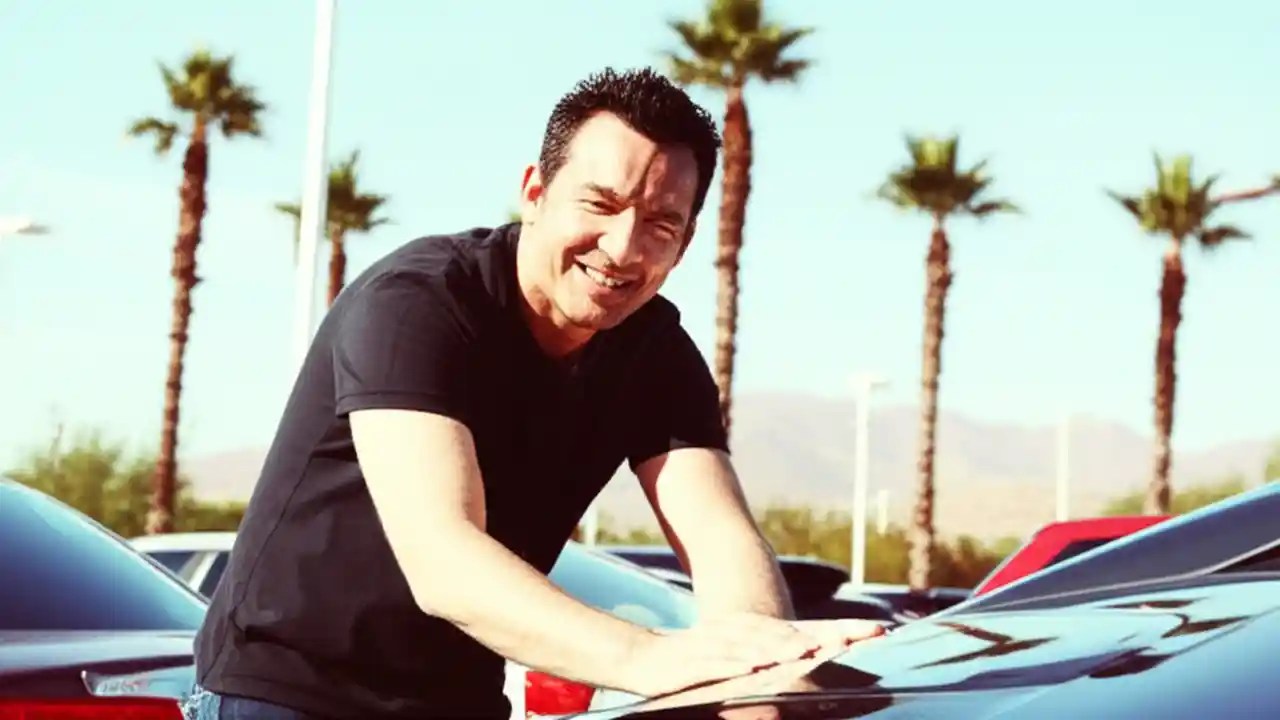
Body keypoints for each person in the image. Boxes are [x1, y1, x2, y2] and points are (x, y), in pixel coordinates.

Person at [183, 67, 883, 720]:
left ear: (688, 239)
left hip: (457, 701)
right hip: (285, 694)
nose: (622, 247)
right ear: (535, 191)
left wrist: (762, 666)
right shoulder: (419, 303)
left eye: (659, 225)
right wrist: (651, 657)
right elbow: (442, 560)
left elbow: (721, 536)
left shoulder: (656, 352)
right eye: (600, 204)